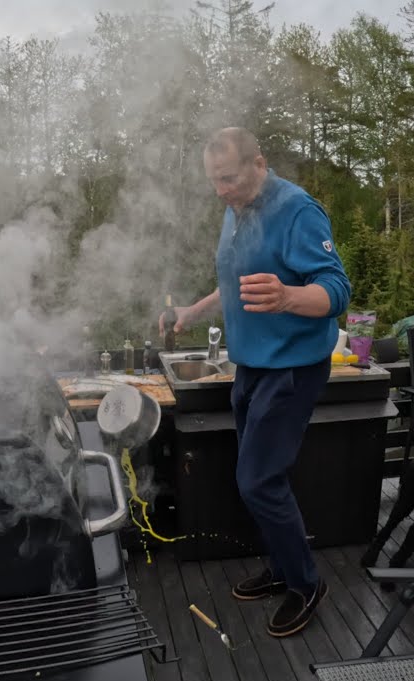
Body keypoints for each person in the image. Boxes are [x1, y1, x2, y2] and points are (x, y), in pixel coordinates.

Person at [159, 127, 350, 637]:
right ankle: (284, 567)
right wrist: (192, 310)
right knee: (263, 480)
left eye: (228, 178)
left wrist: (288, 297)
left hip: (291, 367)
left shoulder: (297, 210)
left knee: (258, 482)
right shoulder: (238, 207)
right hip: (252, 366)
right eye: (213, 181)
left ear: (258, 164)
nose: (220, 190)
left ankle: (308, 584)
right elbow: (234, 281)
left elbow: (337, 289)